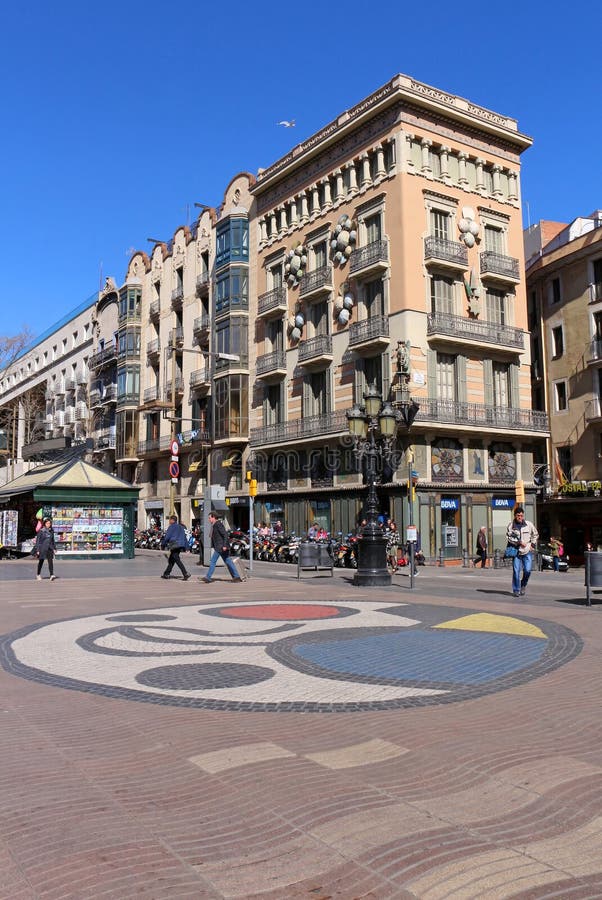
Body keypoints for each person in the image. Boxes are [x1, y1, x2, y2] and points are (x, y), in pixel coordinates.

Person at [506, 506, 538, 598]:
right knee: (516, 571)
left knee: (527, 570)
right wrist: (519, 542)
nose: (520, 517)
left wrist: (532, 545)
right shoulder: (511, 526)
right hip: (516, 551)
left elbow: (535, 534)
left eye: (521, 515)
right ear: (515, 516)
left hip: (527, 550)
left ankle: (523, 584)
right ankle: (516, 589)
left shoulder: (529, 524)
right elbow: (509, 538)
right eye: (518, 515)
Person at [202, 512, 242, 583]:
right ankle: (236, 577)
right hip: (220, 546)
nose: (209, 519)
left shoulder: (218, 524)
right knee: (228, 561)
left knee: (213, 561)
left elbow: (225, 535)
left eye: (209, 518)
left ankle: (208, 577)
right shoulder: (215, 525)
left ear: (213, 517)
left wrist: (224, 545)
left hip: (220, 547)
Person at [160, 515, 190, 580]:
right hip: (180, 545)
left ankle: (185, 573)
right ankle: (166, 573)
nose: (169, 521)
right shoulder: (181, 527)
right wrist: (187, 548)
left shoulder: (171, 527)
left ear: (172, 520)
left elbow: (167, 537)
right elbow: (185, 538)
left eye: (170, 520)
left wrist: (163, 544)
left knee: (176, 559)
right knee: (171, 560)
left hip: (174, 545)